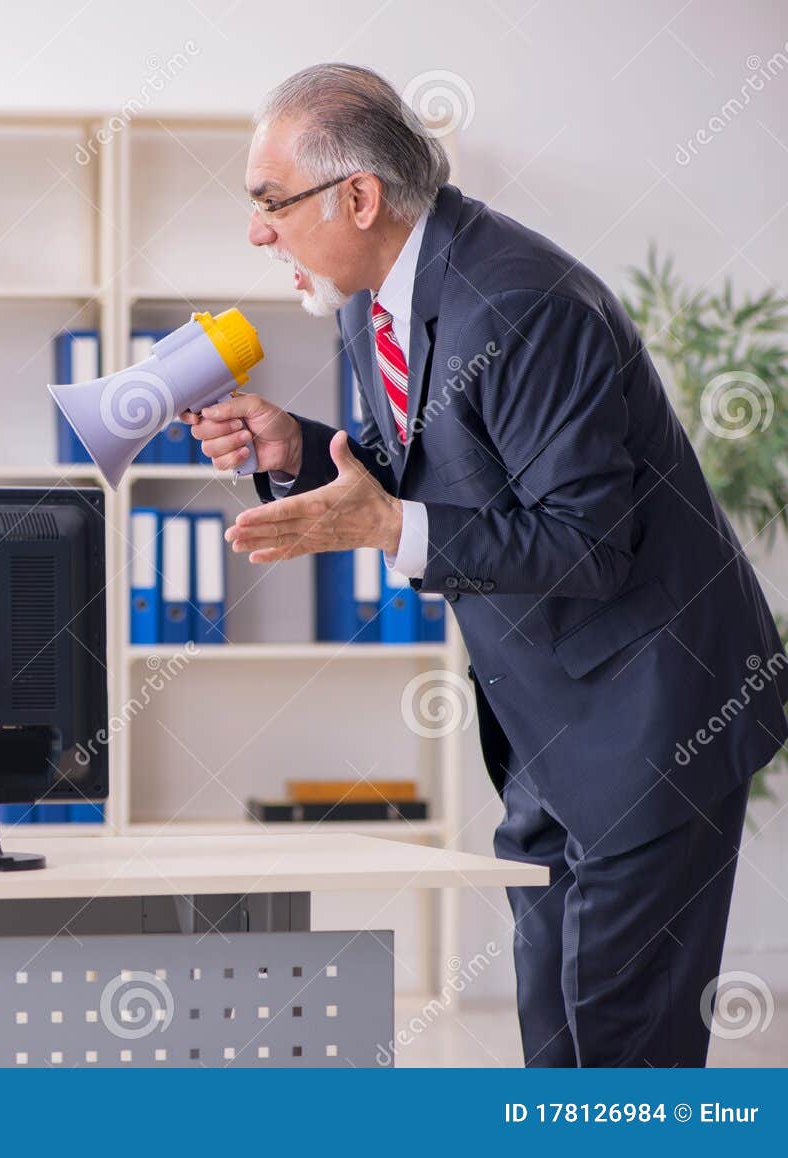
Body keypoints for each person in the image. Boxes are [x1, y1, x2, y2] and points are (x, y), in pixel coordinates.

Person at [184, 63, 787, 1066]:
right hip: (551, 726)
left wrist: (386, 529)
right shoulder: (372, 297)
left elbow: (585, 545)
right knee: (557, 1039)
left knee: (621, 1052)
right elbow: (438, 469)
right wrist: (295, 446)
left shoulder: (517, 308)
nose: (258, 232)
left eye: (269, 204)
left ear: (358, 197)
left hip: (652, 720)